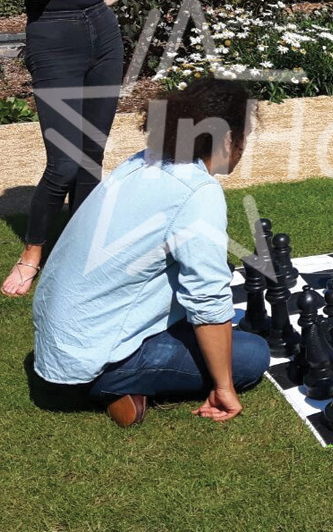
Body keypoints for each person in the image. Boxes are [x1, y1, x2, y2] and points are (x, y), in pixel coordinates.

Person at [32, 78, 270, 426]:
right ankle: (116, 382)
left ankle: (122, 377)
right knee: (252, 356)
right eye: (244, 136)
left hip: (60, 335)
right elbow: (206, 297)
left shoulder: (145, 161)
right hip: (92, 355)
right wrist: (224, 386)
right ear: (227, 140)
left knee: (222, 322)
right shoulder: (197, 191)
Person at [1, 0, 151, 297]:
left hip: (102, 38)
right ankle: (33, 252)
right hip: (54, 41)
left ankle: (83, 250)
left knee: (90, 158)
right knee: (63, 162)